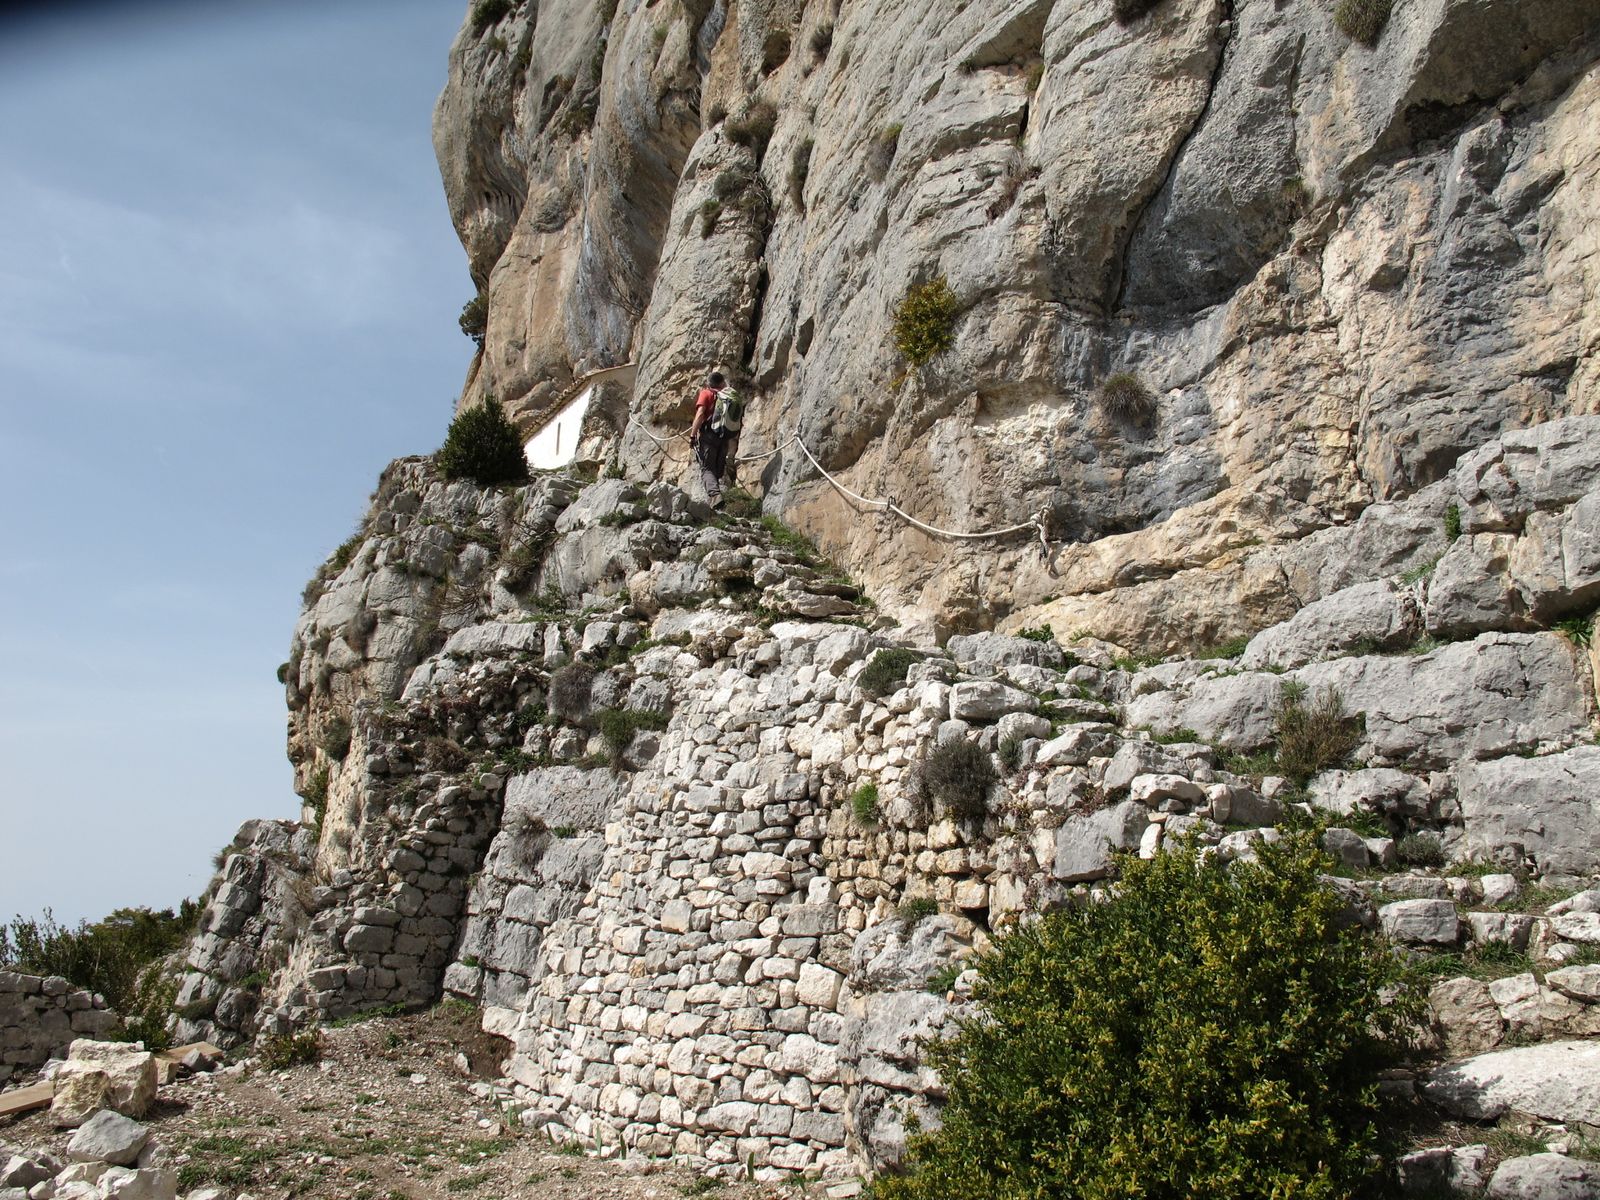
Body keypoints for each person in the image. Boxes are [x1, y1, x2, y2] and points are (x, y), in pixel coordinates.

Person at [688, 370, 732, 508]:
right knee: (716, 471)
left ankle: (715, 495)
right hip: (725, 438)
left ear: (709, 383)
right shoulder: (728, 397)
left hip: (709, 436)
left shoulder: (706, 393)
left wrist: (692, 435)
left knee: (707, 469)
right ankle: (717, 502)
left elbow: (700, 414)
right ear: (722, 383)